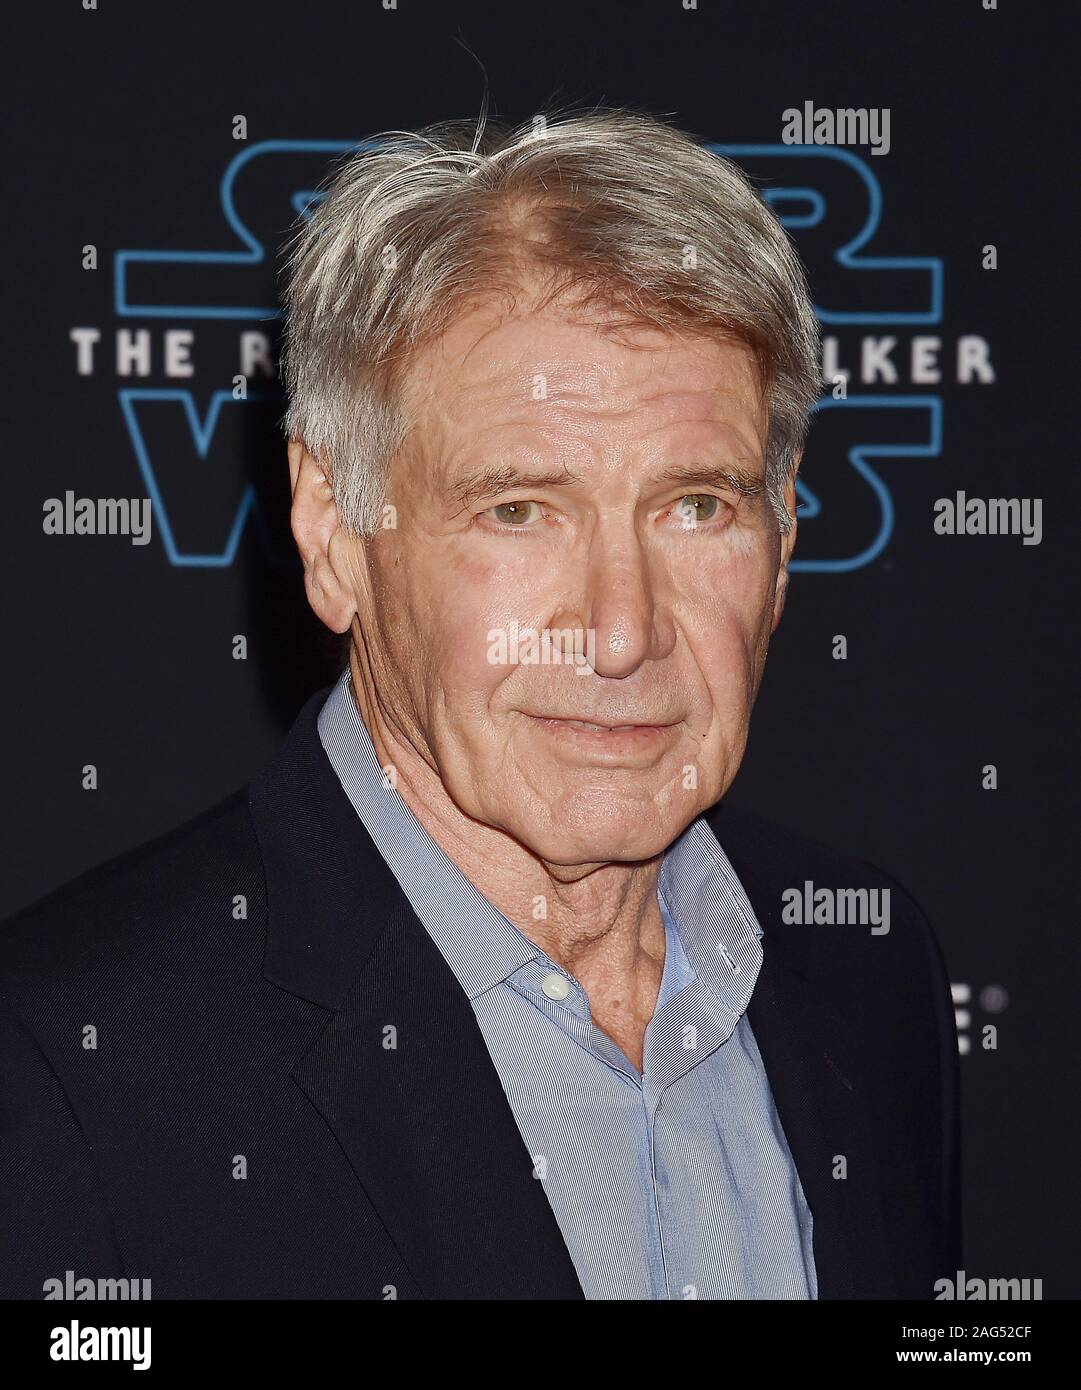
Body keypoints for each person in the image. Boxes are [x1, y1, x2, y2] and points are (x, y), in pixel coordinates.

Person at [1, 108, 959, 1299]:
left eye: (696, 506)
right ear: (333, 530)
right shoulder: (64, 1074)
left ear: (784, 533)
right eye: (519, 509)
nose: (621, 631)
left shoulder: (866, 973)